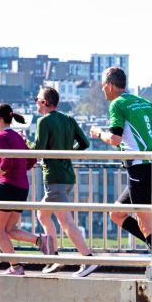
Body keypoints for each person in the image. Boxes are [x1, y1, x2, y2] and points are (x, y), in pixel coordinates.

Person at [88, 67, 152, 260]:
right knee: (116, 214)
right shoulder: (143, 101)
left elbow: (115, 139)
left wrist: (97, 133)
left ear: (110, 85)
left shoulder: (117, 104)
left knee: (145, 222)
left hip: (138, 167)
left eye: (103, 86)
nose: (103, 90)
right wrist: (150, 142)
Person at [30, 87, 98, 278]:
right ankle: (54, 256)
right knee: (42, 215)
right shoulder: (68, 119)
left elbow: (39, 150)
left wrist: (24, 143)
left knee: (65, 221)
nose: (35, 102)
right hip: (67, 176)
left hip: (55, 177)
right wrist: (67, 154)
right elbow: (84, 143)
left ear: (44, 103)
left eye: (37, 99)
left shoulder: (43, 121)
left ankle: (88, 259)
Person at [0, 104, 39, 275]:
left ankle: (16, 267)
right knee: (9, 229)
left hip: (9, 186)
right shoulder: (17, 136)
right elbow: (31, 160)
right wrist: (19, 170)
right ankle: (41, 240)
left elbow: (7, 162)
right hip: (22, 187)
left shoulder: (1, 136)